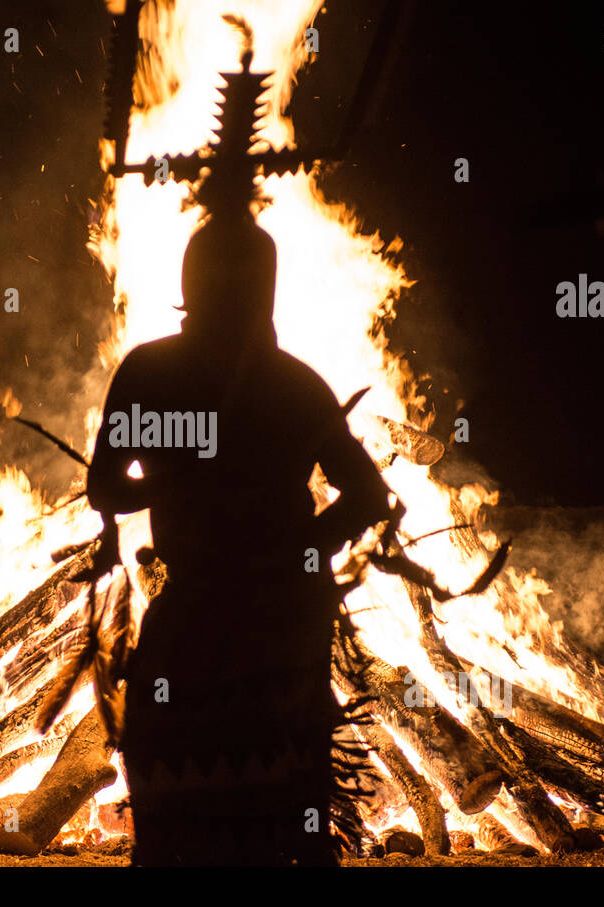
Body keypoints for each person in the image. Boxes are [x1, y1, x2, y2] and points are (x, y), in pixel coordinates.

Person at [86, 211, 394, 865]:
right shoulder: (292, 384)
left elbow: (105, 490)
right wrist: (299, 550)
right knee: (278, 817)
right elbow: (370, 499)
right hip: (271, 624)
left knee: (195, 807)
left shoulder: (154, 372)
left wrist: (171, 489)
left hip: (218, 622)